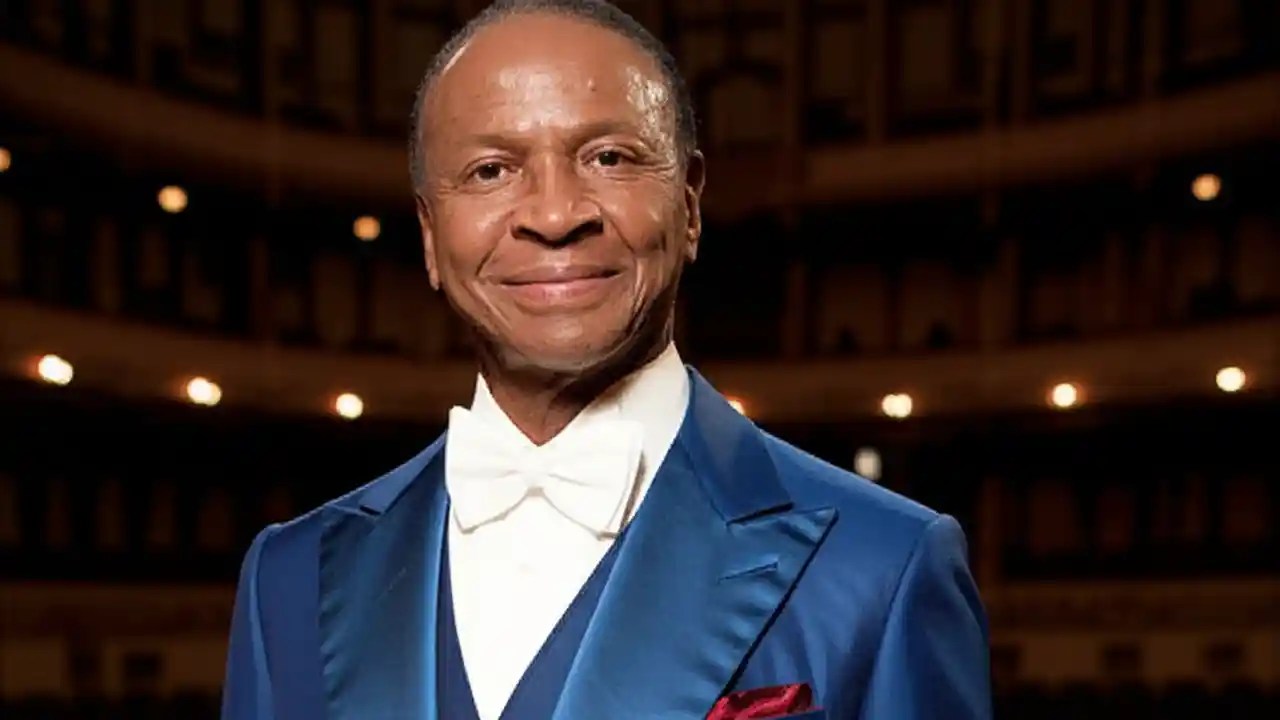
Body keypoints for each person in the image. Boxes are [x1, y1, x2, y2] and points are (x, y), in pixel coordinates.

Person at [220, 1, 991, 718]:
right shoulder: (286, 577)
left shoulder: (885, 568)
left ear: (689, 206)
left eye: (610, 158)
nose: (555, 215)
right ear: (429, 234)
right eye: (492, 170)